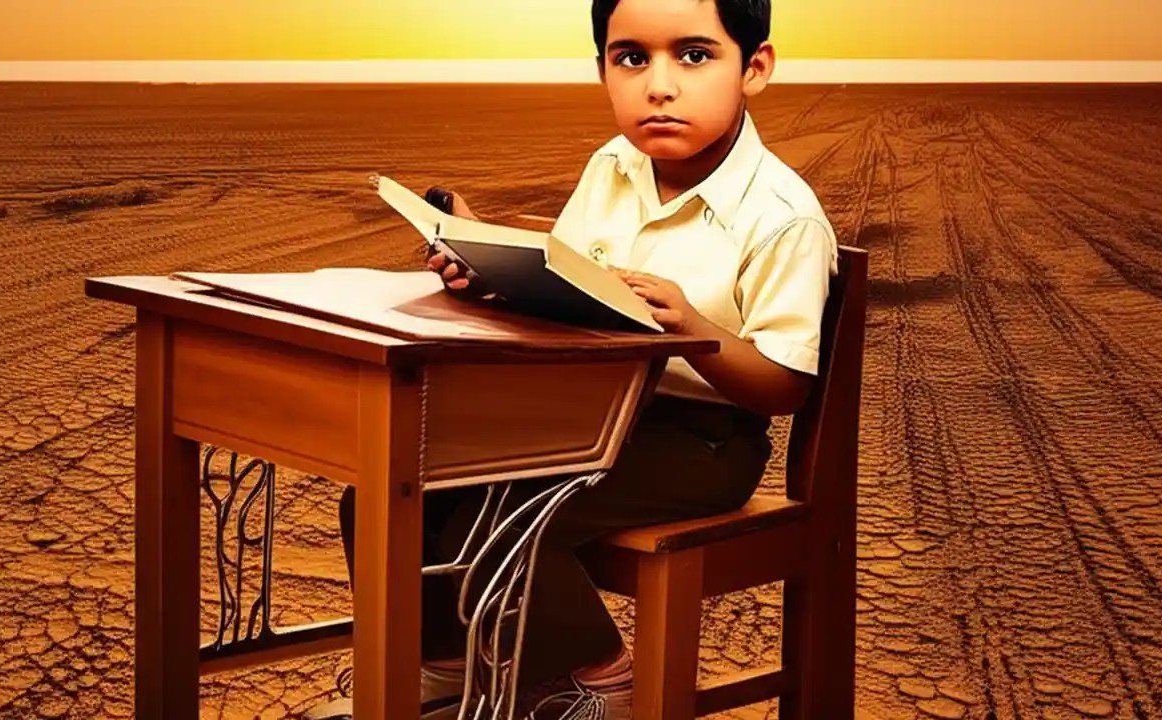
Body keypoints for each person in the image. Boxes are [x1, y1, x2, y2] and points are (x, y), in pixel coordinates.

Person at [311, 0, 838, 717]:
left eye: (693, 55)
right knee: (383, 492)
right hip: (585, 414)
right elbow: (566, 282)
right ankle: (442, 668)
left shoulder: (784, 216)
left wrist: (692, 323)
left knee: (502, 518)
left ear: (755, 68)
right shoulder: (612, 166)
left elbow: (784, 388)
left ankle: (599, 681)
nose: (659, 85)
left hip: (698, 442)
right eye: (630, 58)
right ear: (601, 70)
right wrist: (487, 264)